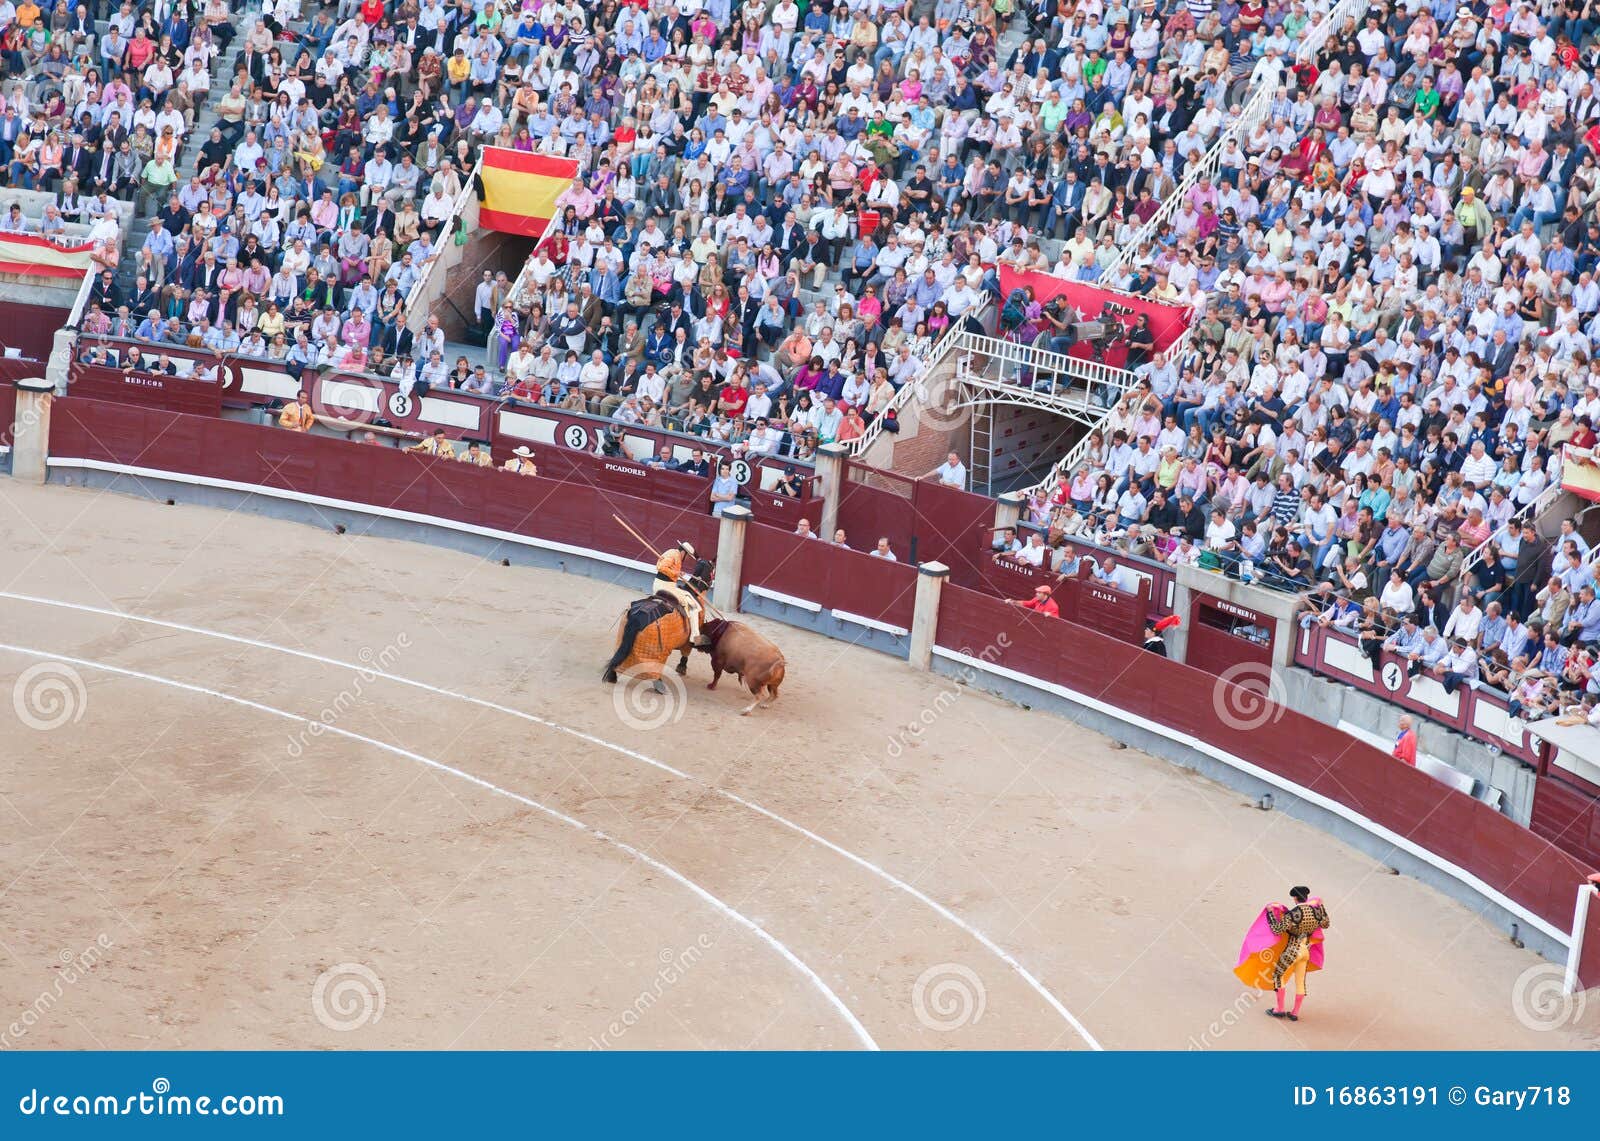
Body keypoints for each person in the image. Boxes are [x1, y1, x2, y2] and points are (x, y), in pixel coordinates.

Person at [1234, 886, 1331, 1023]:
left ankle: (1279, 1009)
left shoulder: (1294, 914)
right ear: (1306, 897)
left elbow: (1277, 930)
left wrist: (1270, 914)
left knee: (1278, 977)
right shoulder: (1315, 912)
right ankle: (1295, 1013)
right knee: (1300, 981)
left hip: (1292, 951)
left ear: (1295, 898)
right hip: (1305, 951)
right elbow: (1326, 924)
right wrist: (1321, 907)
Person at [654, 541, 708, 649]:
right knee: (692, 605)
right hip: (665, 587)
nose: (687, 559)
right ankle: (695, 638)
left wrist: (677, 573)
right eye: (688, 556)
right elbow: (661, 567)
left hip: (666, 585)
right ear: (684, 552)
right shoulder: (674, 555)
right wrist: (676, 573)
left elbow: (665, 567)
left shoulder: (673, 553)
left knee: (688, 595)